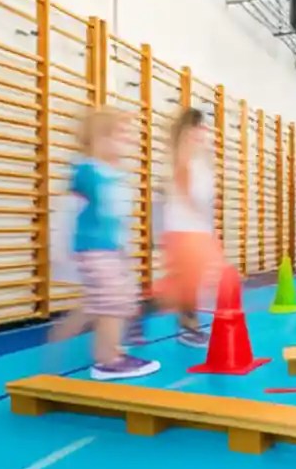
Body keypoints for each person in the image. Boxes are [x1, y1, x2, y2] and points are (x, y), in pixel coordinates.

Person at [61, 107, 160, 380]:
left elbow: (114, 216)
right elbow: (75, 208)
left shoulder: (110, 173)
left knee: (119, 298)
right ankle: (107, 360)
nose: (127, 139)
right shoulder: (88, 171)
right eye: (120, 133)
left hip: (110, 249)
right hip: (94, 249)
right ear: (100, 139)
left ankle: (110, 348)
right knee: (111, 302)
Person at [158, 107, 220, 348]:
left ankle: (182, 321)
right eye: (196, 129)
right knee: (187, 283)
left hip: (197, 231)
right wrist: (195, 211)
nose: (201, 133)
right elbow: (183, 187)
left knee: (192, 281)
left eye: (203, 128)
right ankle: (188, 327)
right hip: (183, 231)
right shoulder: (183, 158)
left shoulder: (200, 161)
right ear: (186, 133)